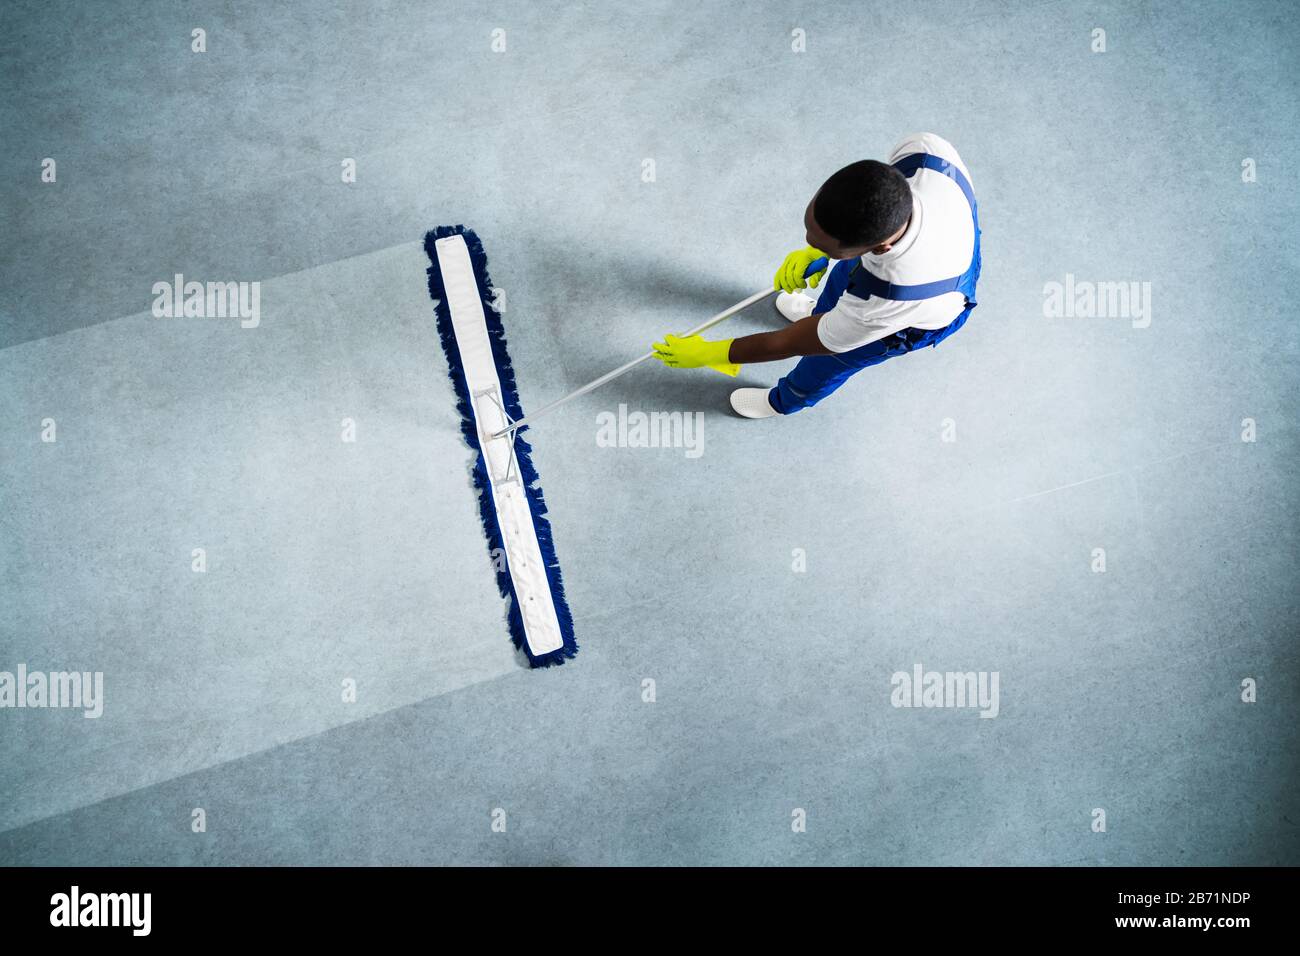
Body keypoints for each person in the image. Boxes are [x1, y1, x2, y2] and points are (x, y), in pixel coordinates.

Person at [651, 133, 981, 419]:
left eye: (821, 244)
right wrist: (820, 253)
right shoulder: (924, 152)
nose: (809, 242)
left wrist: (712, 353)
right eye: (810, 231)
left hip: (922, 311)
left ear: (875, 248)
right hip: (932, 244)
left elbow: (787, 343)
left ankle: (784, 402)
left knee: (827, 361)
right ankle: (823, 314)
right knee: (842, 282)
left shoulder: (886, 301)